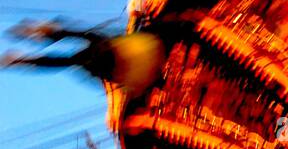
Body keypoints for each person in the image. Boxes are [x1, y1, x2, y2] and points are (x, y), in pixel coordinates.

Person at [2, 22, 166, 98]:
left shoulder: (97, 59)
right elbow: (79, 37)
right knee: (72, 55)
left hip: (130, 61)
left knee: (70, 58)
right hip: (135, 52)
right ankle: (42, 34)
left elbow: (61, 60)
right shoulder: (100, 50)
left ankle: (40, 36)